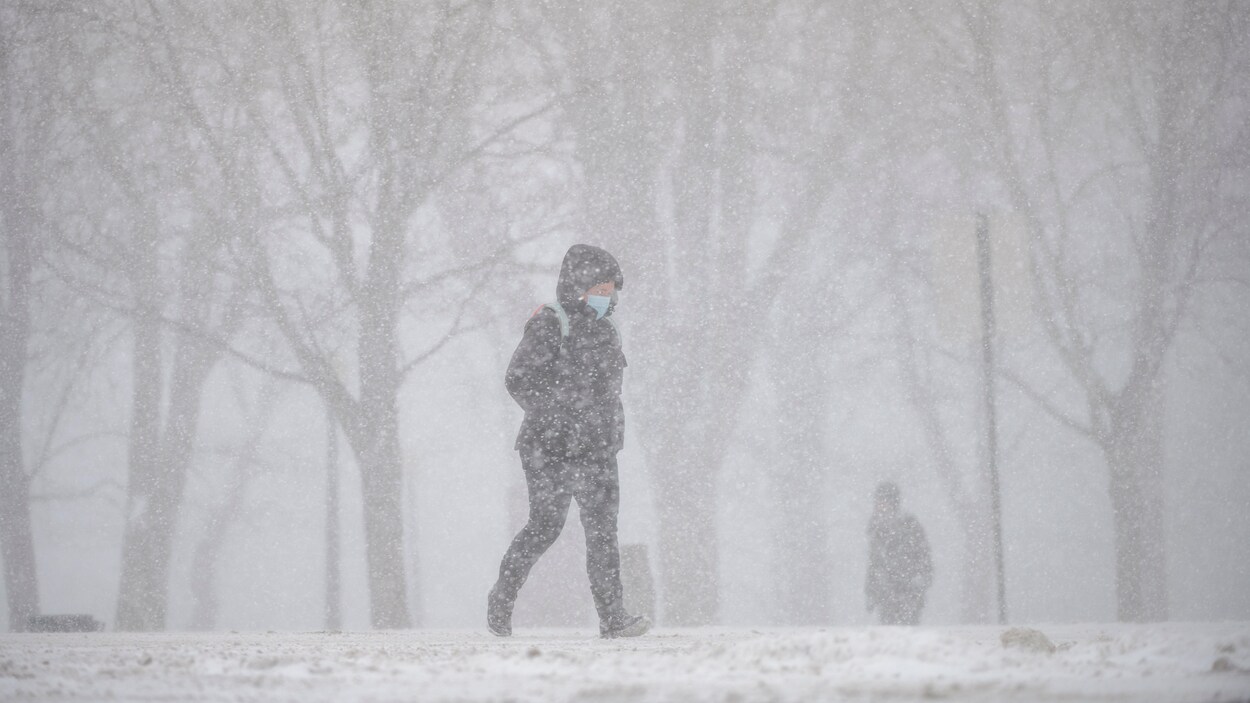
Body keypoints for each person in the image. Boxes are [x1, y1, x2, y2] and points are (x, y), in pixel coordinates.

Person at [488, 244, 650, 639]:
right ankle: (501, 598)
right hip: (551, 450)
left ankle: (614, 619)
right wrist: (560, 417)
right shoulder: (549, 323)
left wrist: (607, 432)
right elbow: (518, 379)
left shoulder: (608, 330)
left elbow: (608, 392)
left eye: (611, 288)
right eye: (600, 286)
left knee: (603, 533)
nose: (607, 295)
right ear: (579, 284)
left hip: (598, 450)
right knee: (545, 526)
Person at [865, 481, 933, 626]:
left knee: (907, 634)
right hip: (885, 593)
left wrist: (919, 580)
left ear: (893, 502)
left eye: (883, 500)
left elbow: (923, 555)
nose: (880, 505)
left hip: (908, 592)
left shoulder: (909, 524)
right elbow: (874, 563)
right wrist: (870, 590)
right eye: (878, 501)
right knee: (890, 634)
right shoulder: (876, 527)